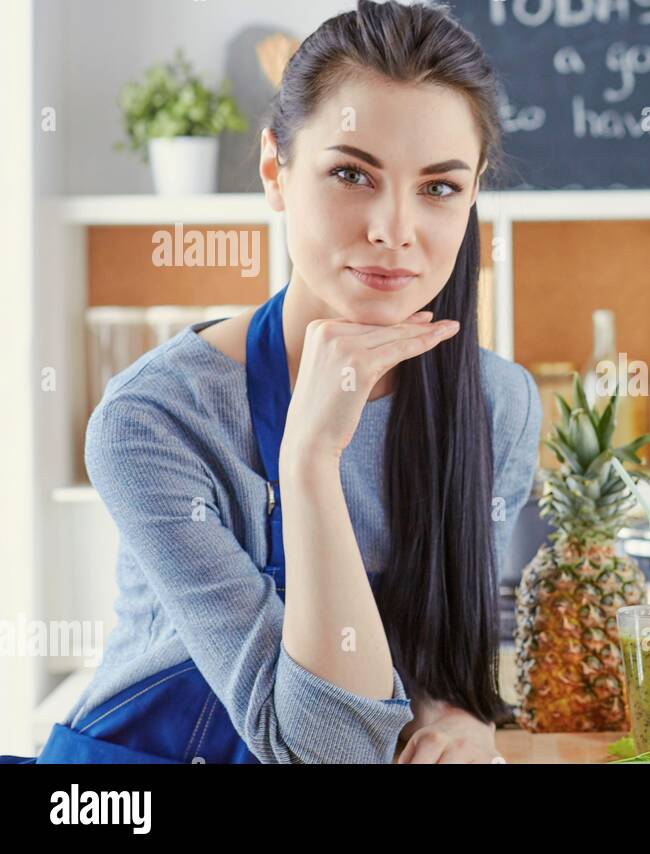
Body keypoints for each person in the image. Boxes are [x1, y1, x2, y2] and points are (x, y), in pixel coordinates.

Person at [2, 0, 540, 764]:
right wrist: (310, 457)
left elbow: (439, 648)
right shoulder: (154, 420)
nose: (393, 227)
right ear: (274, 171)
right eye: (352, 174)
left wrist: (458, 716)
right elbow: (322, 754)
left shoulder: (498, 405)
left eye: (439, 187)